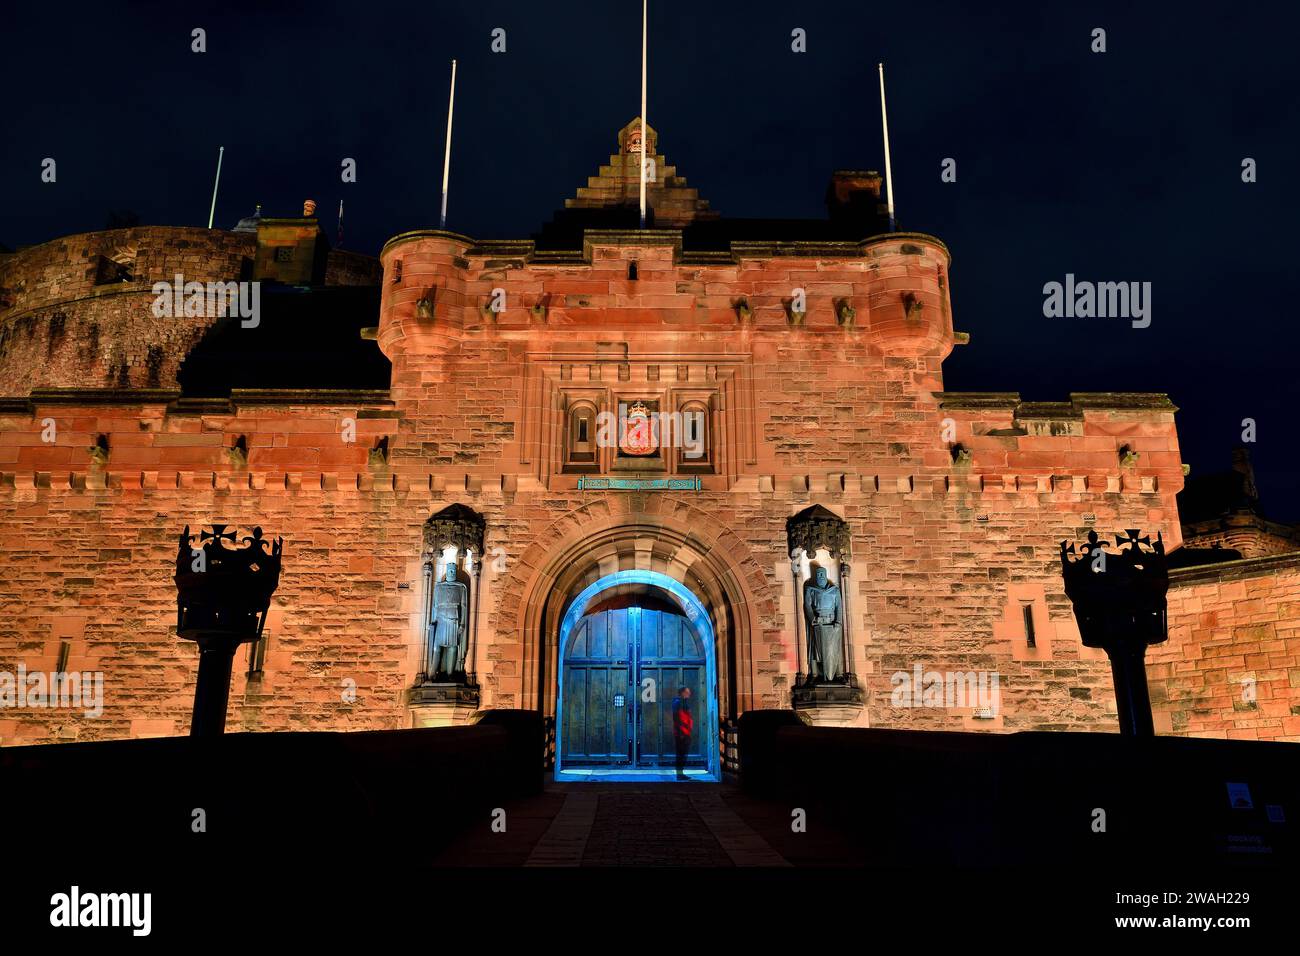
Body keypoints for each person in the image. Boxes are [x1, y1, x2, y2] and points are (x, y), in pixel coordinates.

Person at [671, 686, 693, 780]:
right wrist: (681, 733)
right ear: (682, 693)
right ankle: (679, 774)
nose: (689, 694)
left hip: (685, 732)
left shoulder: (683, 703)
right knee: (681, 754)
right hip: (682, 733)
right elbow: (677, 718)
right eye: (687, 692)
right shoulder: (678, 703)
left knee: (683, 754)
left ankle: (680, 773)